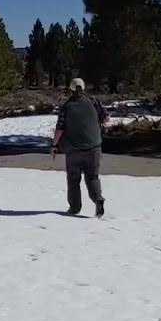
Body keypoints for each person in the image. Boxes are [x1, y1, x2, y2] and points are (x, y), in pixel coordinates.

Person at [51, 77, 107, 217]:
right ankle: (98, 199)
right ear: (83, 87)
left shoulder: (67, 106)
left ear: (71, 89)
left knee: (73, 178)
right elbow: (106, 119)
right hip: (94, 147)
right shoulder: (94, 102)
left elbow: (60, 129)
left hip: (73, 148)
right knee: (92, 177)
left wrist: (54, 145)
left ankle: (75, 207)